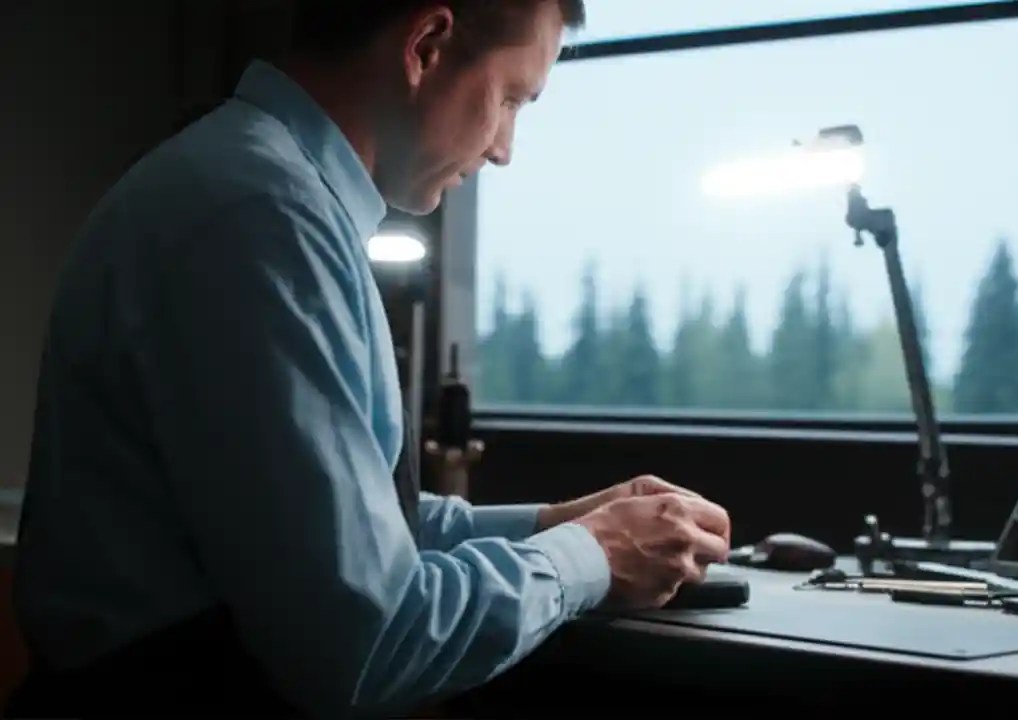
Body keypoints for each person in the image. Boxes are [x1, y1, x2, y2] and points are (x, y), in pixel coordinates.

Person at [8, 1, 733, 717]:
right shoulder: (261, 218)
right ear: (426, 45)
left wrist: (553, 524)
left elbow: (345, 528)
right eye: (511, 97)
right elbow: (366, 642)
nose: (505, 147)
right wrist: (591, 556)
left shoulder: (253, 187)